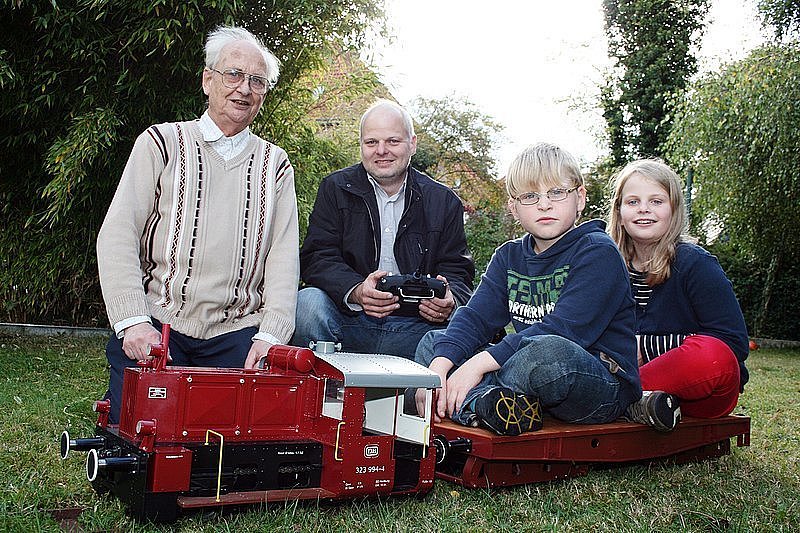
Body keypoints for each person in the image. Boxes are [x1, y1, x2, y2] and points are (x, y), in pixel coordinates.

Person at [97, 26, 299, 423]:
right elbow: (117, 234)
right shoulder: (161, 142)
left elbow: (283, 260)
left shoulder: (276, 165)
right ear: (208, 79)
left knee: (228, 455)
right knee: (140, 447)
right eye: (233, 75)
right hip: (159, 328)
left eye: (258, 81)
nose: (244, 89)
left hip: (238, 336)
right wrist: (134, 322)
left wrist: (270, 337)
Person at [412, 142, 648, 436]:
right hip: (525, 376)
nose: (544, 204)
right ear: (513, 208)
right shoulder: (508, 256)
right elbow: (475, 317)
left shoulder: (598, 252)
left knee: (546, 352)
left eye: (556, 192)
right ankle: (488, 405)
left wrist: (475, 366)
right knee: (434, 343)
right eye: (530, 196)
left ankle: (468, 402)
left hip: (597, 381)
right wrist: (437, 371)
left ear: (580, 198)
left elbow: (564, 330)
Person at [292, 99, 475, 359]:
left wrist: (450, 299)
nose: (381, 151)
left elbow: (458, 269)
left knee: (461, 324)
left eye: (392, 141)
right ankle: (324, 393)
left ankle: (420, 397)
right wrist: (356, 291)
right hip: (348, 321)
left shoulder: (443, 201)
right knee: (307, 304)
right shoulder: (334, 189)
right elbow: (317, 257)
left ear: (412, 144)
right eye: (371, 142)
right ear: (361, 146)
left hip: (416, 329)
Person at [609, 159, 749, 420]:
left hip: (696, 391)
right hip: (626, 373)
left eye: (656, 201)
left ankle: (610, 398)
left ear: (674, 209)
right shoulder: (605, 265)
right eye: (632, 202)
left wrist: (645, 347)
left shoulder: (695, 263)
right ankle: (635, 403)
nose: (644, 210)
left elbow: (735, 343)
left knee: (714, 355)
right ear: (619, 211)